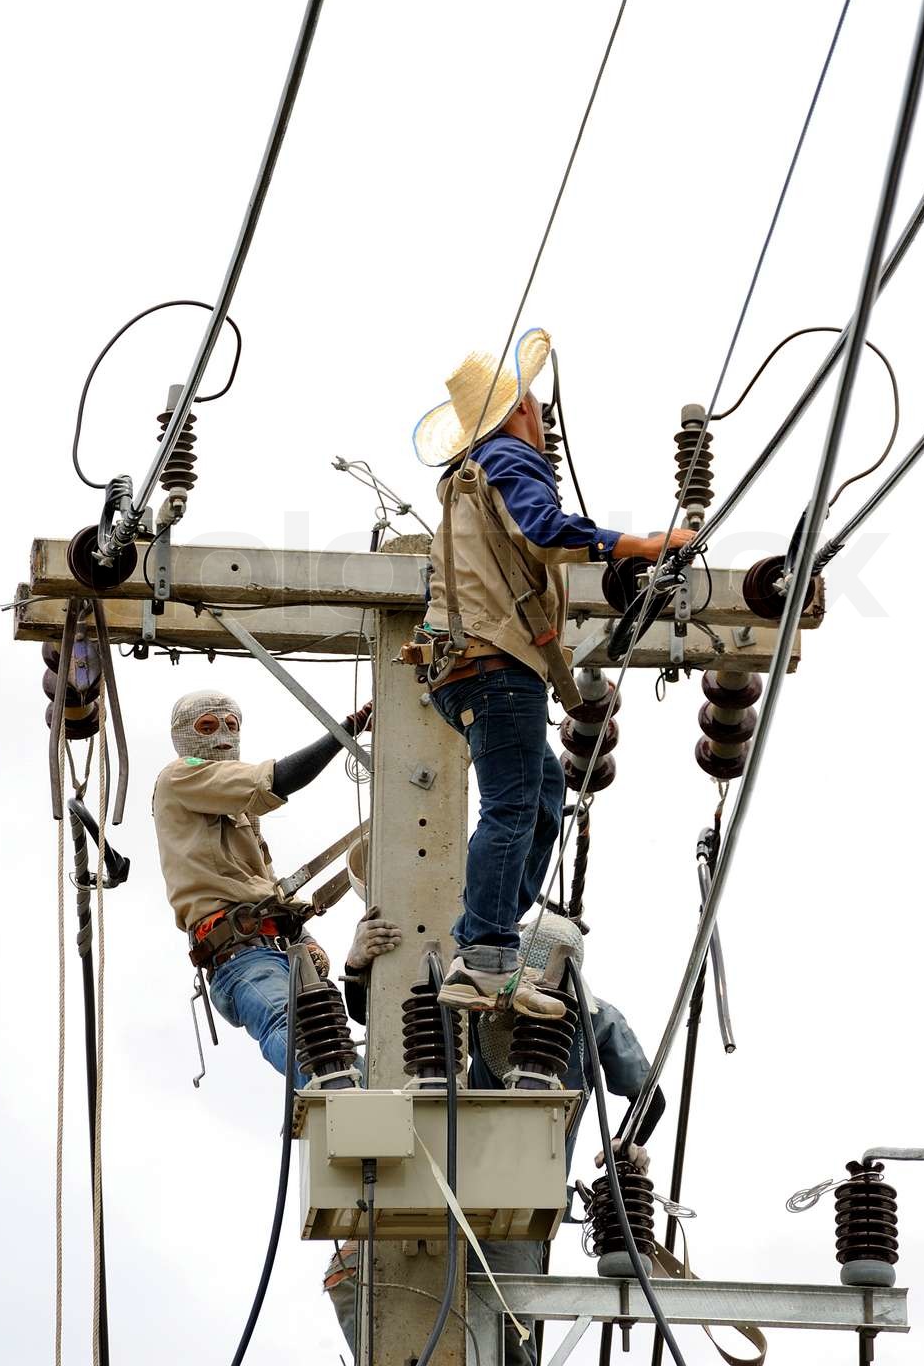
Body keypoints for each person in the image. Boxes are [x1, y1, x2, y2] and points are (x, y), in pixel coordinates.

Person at [411, 327, 695, 1015]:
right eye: (533, 405)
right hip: (495, 666)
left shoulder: (463, 482)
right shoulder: (507, 456)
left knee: (538, 800)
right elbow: (543, 529)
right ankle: (483, 954)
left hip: (463, 672)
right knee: (512, 807)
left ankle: (489, 948)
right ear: (519, 413)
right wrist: (643, 543)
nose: (539, 417)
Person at [325, 913, 662, 1364]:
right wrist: (355, 969)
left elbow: (649, 1096)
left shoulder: (594, 1021)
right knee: (352, 1279)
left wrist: (627, 1141)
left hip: (523, 1192)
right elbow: (396, 1025)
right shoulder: (479, 998)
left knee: (509, 1327)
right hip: (443, 1173)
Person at [151, 687, 381, 1081]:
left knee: (341, 1054)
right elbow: (275, 780)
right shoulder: (179, 776)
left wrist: (304, 936)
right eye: (207, 727)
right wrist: (348, 728)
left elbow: (264, 888)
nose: (222, 735)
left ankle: (361, 1108)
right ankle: (338, 1101)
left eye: (231, 725)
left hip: (275, 948)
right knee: (296, 1034)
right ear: (184, 736)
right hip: (239, 958)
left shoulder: (240, 814)